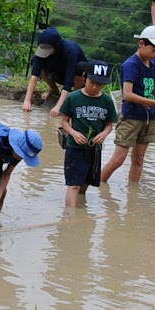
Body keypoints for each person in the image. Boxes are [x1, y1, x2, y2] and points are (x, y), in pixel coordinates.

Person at [102, 25, 155, 183]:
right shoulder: (131, 65)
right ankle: (98, 184)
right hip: (131, 118)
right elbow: (128, 94)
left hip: (148, 119)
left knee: (138, 160)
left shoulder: (153, 66)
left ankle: (133, 192)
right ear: (141, 43)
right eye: (153, 50)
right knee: (118, 160)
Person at [60, 61, 118, 207]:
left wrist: (104, 134)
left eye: (100, 84)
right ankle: (70, 216)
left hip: (94, 149)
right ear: (85, 77)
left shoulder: (107, 101)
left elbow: (109, 125)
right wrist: (74, 133)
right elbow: (64, 122)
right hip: (75, 148)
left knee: (85, 183)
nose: (95, 87)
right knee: (74, 184)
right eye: (92, 82)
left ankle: (81, 208)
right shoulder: (73, 98)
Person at [23, 26, 90, 115]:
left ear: (56, 46)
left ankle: (74, 97)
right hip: (57, 74)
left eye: (47, 49)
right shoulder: (41, 52)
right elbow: (34, 75)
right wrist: (27, 100)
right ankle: (53, 89)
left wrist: (58, 106)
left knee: (81, 67)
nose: (44, 51)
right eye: (42, 48)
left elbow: (69, 80)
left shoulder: (70, 50)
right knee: (34, 60)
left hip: (76, 77)